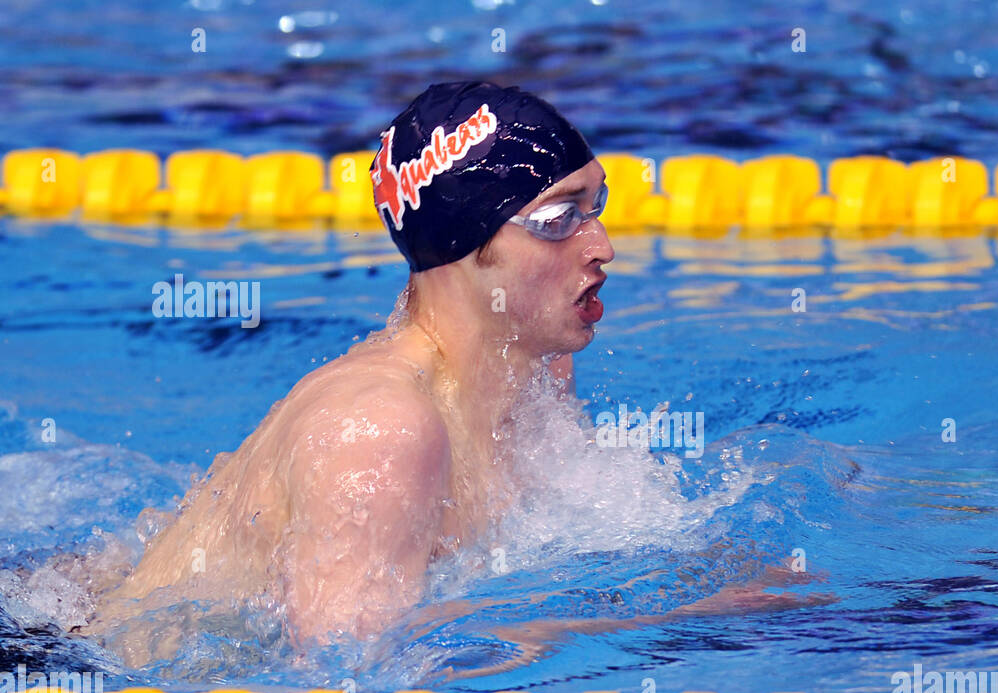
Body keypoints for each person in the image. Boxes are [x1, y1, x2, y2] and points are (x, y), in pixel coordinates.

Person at [93, 81, 614, 649]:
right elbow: (342, 675)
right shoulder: (382, 431)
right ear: (462, 241)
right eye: (559, 218)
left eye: (596, 206)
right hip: (103, 687)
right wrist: (677, 619)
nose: (602, 245)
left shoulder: (538, 368)